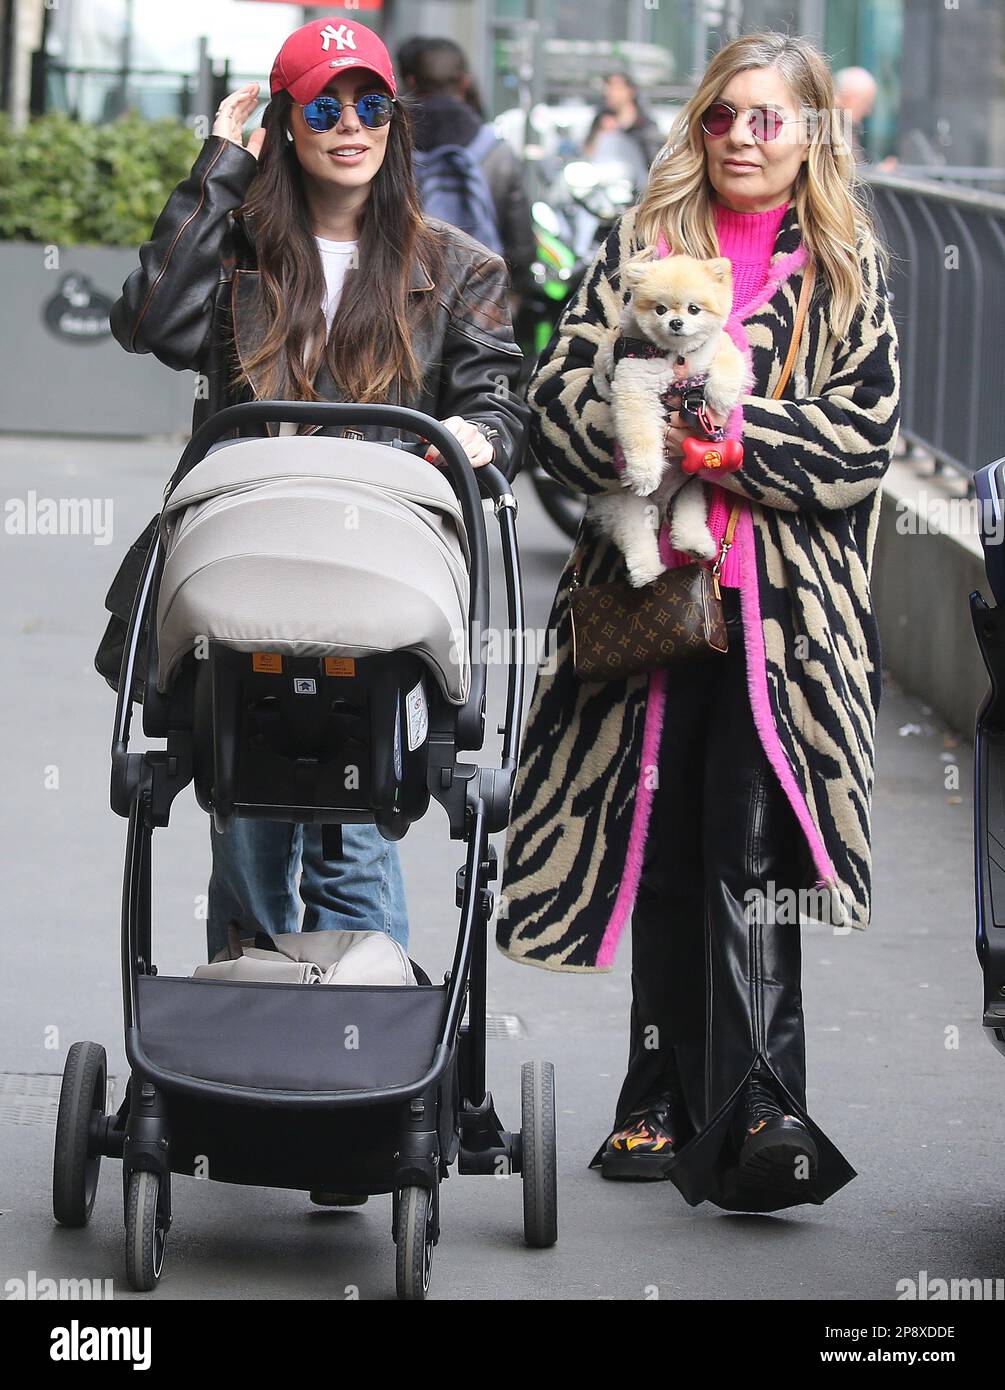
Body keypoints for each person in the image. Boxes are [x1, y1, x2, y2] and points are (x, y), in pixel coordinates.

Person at [497, 31, 900, 1214]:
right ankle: (657, 1098)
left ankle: (766, 1102)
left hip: (785, 624)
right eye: (723, 116)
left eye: (769, 120)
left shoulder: (846, 265)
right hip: (642, 600)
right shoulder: (638, 240)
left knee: (750, 851)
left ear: (812, 131)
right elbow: (557, 396)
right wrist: (638, 440)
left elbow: (862, 442)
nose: (741, 139)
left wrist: (727, 443)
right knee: (658, 852)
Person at [106, 16, 528, 965]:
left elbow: (501, 404)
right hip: (249, 577)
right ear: (288, 124)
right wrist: (220, 160)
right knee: (249, 829)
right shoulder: (238, 254)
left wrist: (472, 435)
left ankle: (367, 1062)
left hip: (382, 581)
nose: (350, 124)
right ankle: (244, 1046)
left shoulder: (455, 266)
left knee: (360, 832)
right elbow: (150, 324)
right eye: (323, 106)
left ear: (395, 122)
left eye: (371, 103)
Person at [399, 36, 535, 299]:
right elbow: (521, 243)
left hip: (411, 289)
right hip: (479, 290)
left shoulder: (393, 143)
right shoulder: (495, 148)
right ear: (465, 82)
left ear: (412, 82)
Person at [584, 71, 665, 173]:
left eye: (616, 87)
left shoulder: (644, 123)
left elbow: (652, 155)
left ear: (630, 91)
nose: (609, 92)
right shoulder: (601, 119)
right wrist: (602, 132)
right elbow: (588, 153)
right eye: (607, 87)